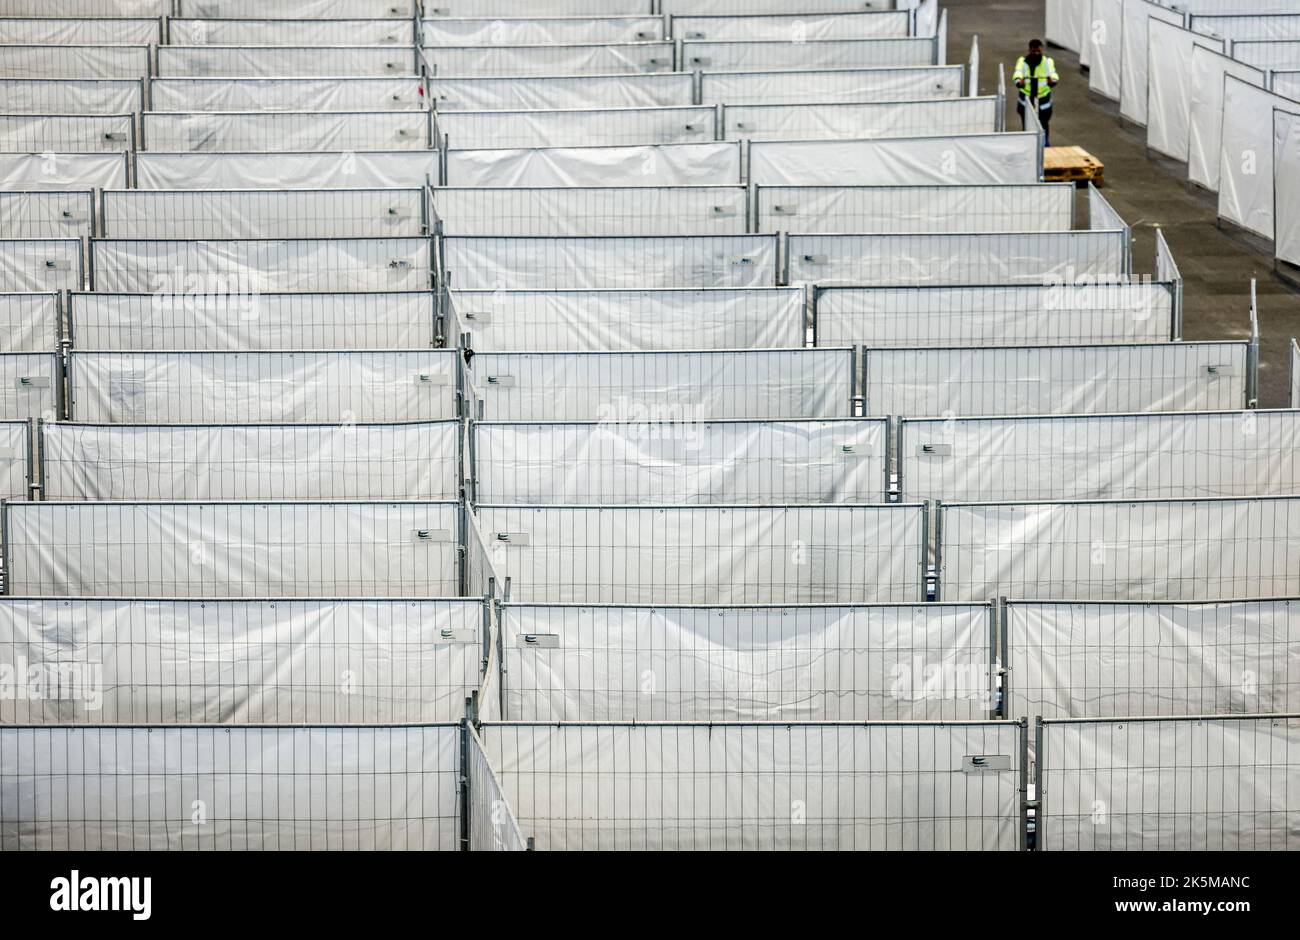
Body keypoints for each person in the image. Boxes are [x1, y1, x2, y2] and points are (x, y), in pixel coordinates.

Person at [1014, 39, 1060, 146]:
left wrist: (1052, 81)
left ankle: (1044, 148)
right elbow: (1017, 73)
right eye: (1034, 51)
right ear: (1029, 50)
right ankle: (1028, 147)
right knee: (1027, 127)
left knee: (1043, 126)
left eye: (1038, 51)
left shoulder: (1048, 62)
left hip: (1043, 102)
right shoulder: (1022, 61)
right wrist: (1019, 82)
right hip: (1026, 101)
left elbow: (1054, 75)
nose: (1036, 53)